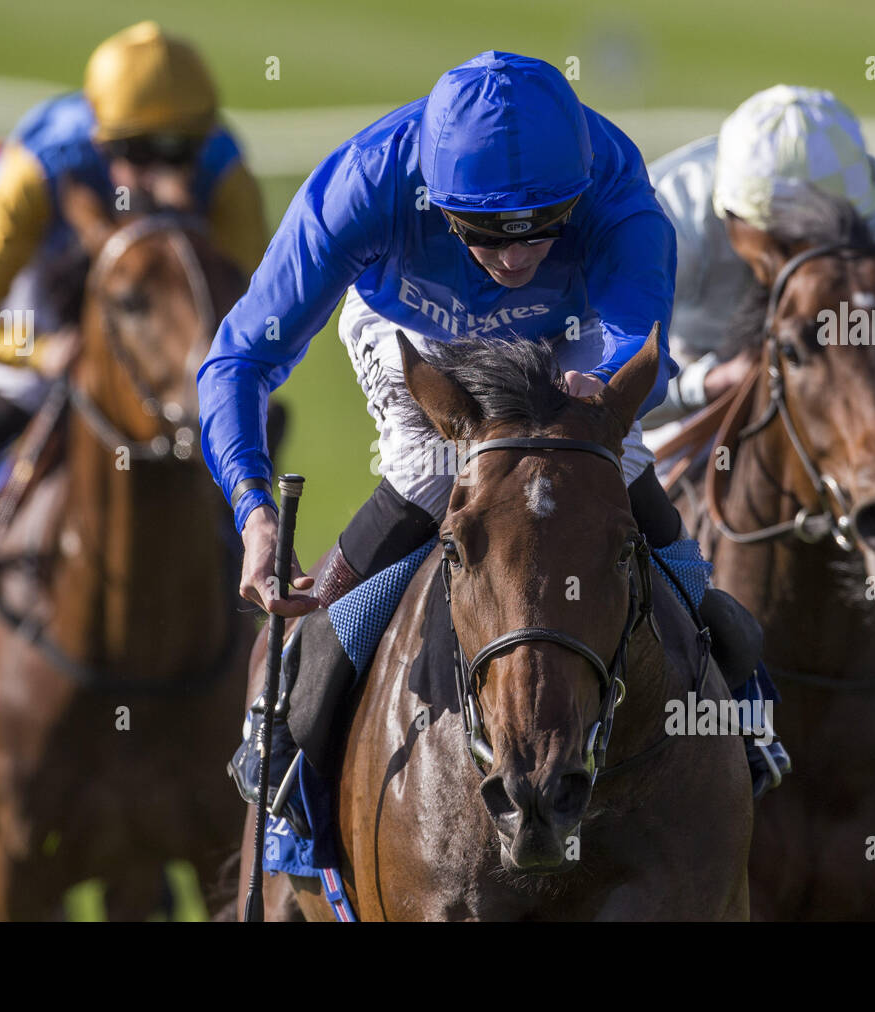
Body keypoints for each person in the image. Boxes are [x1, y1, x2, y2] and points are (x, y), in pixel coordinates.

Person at [198, 52, 790, 828]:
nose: (514, 257)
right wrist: (253, 510)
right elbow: (238, 358)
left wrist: (601, 390)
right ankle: (286, 709)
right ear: (435, 200)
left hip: (571, 337)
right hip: (414, 333)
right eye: (481, 233)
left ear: (575, 196)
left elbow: (639, 343)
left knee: (613, 465)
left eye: (543, 228)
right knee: (434, 474)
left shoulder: (615, 187)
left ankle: (737, 698)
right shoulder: (363, 187)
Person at [0, 21, 269, 627]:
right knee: (24, 394)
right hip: (35, 266)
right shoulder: (37, 173)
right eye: (138, 153)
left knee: (234, 396)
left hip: (144, 280)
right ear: (100, 138)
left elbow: (249, 306)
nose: (157, 174)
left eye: (179, 153)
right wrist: (41, 352)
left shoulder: (223, 174)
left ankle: (243, 538)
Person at [644, 85, 875, 695]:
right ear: (735, 217)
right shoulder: (666, 211)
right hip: (686, 386)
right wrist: (702, 383)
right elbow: (600, 372)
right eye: (778, 238)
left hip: (829, 392)